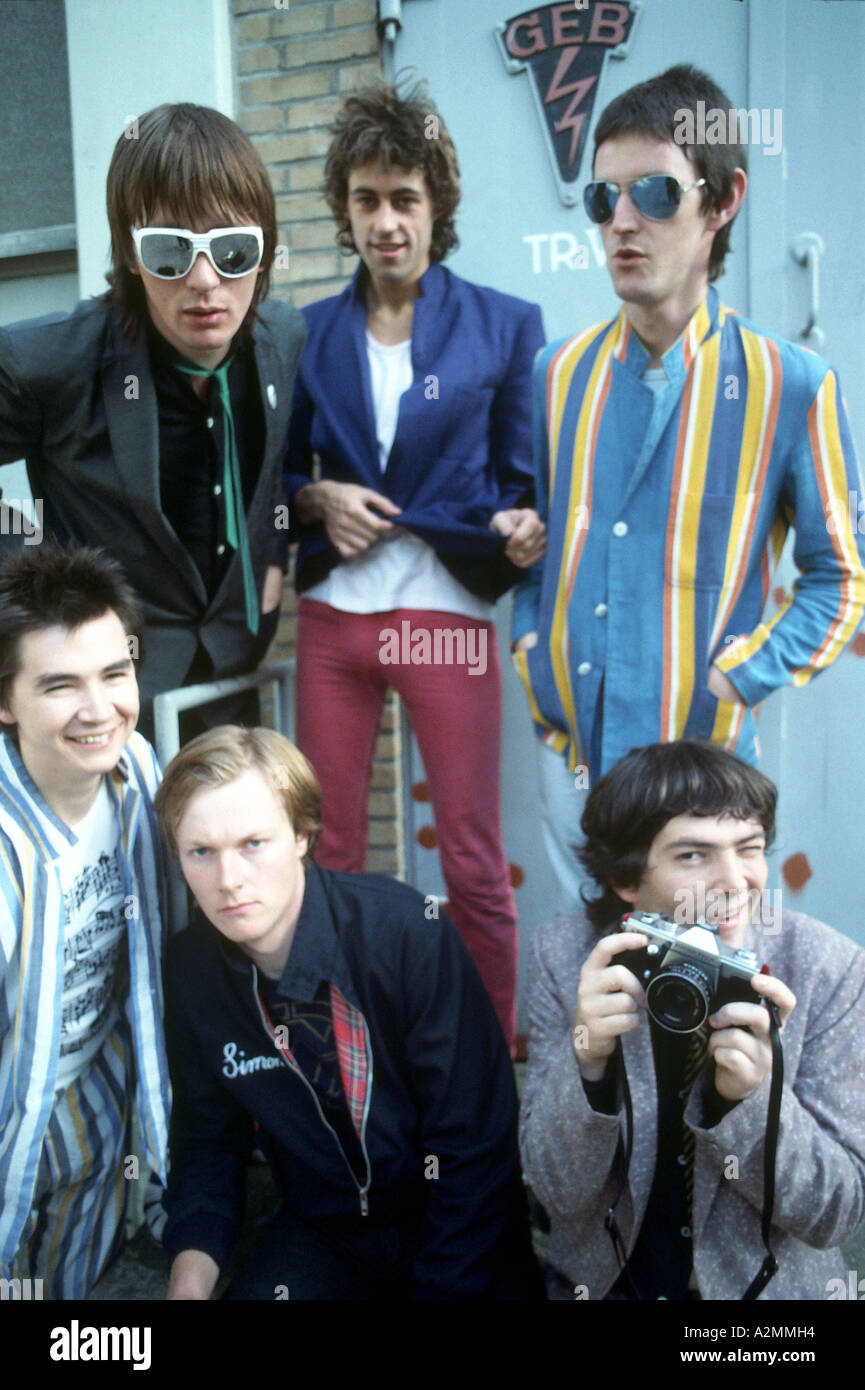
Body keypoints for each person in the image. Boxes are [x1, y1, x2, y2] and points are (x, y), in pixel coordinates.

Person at [512, 64, 865, 909]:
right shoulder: (555, 375)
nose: (622, 222)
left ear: (722, 199)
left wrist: (740, 674)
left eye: (656, 194)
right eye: (603, 200)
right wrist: (535, 657)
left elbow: (842, 577)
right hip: (571, 756)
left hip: (700, 775)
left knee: (701, 1000)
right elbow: (537, 546)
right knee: (589, 989)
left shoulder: (791, 385)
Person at [284, 82, 546, 1048]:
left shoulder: (504, 324)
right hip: (335, 619)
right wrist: (314, 500)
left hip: (447, 616)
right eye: (365, 199)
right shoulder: (302, 332)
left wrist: (524, 525)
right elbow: (283, 476)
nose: (385, 222)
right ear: (344, 209)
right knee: (331, 850)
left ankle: (495, 1055)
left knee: (472, 858)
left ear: (437, 206)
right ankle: (339, 1048)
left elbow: (524, 482)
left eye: (404, 198)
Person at [155, 725, 539, 1301]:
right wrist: (187, 1285)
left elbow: (476, 1152)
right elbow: (207, 1144)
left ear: (302, 835)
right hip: (324, 1231)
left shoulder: (408, 933)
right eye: (201, 852)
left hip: (454, 1227)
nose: (229, 881)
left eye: (253, 844)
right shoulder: (192, 970)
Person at [0, 103, 306, 740]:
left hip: (230, 677)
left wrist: (272, 565)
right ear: (130, 254)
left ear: (264, 251)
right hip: (107, 707)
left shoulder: (282, 339)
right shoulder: (51, 361)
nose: (203, 280)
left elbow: (272, 469)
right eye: (170, 250)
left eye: (231, 250)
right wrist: (36, 587)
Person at [520, 739, 865, 1301]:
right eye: (693, 855)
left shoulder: (827, 970)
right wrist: (586, 1064)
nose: (735, 881)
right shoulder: (568, 957)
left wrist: (752, 1101)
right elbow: (554, 1191)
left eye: (748, 848)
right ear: (626, 880)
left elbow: (834, 1215)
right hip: (609, 1283)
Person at [0, 546, 170, 1300]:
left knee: (67, 1293)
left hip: (94, 1095)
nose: (99, 709)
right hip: (10, 1107)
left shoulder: (137, 768)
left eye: (114, 673)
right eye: (60, 685)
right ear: (6, 701)